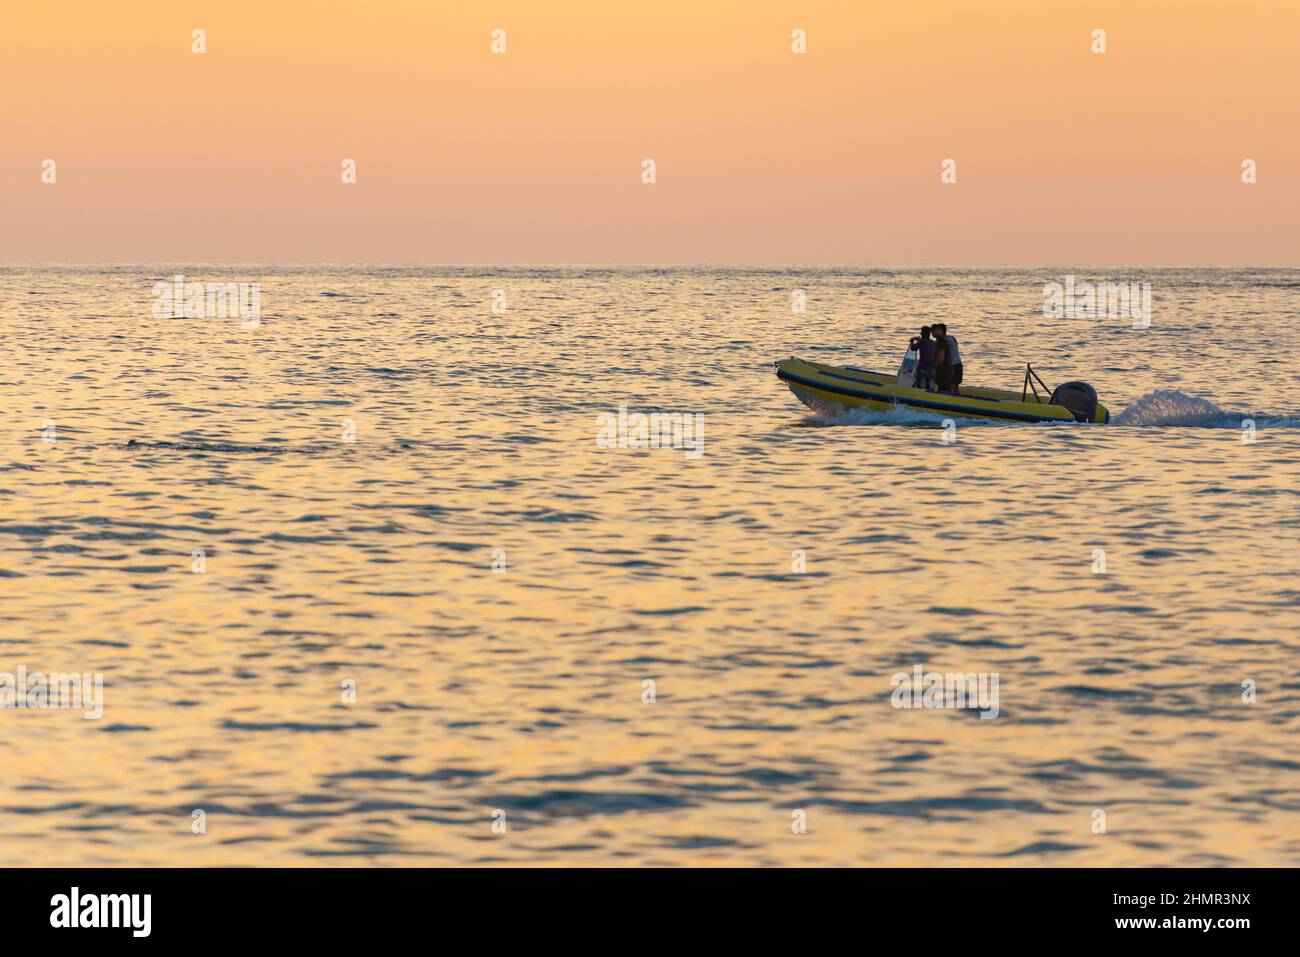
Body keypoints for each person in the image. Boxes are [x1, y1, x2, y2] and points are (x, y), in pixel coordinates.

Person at [934, 323, 962, 395]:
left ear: (940, 330)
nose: (934, 331)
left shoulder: (942, 340)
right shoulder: (952, 337)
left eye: (936, 330)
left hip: (952, 365)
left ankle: (949, 402)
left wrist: (936, 365)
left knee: (951, 386)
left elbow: (941, 355)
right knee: (956, 385)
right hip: (958, 363)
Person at [913, 326, 937, 391]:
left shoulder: (921, 341)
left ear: (922, 334)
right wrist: (919, 340)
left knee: (920, 387)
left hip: (922, 369)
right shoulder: (933, 343)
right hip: (932, 370)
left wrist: (911, 341)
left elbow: (913, 348)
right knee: (930, 387)